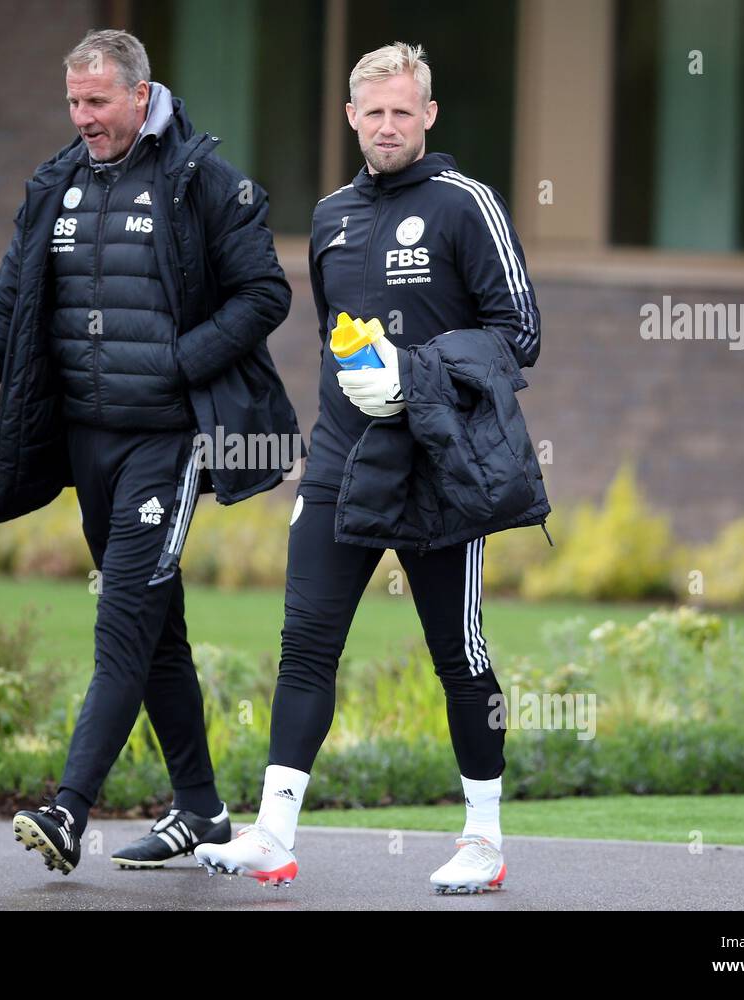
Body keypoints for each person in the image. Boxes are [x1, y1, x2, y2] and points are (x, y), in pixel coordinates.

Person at [0, 28, 302, 875]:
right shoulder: (57, 187)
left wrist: (179, 361)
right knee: (158, 635)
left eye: (97, 102)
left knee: (121, 621)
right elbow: (3, 312)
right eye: (73, 103)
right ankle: (201, 810)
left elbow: (267, 292)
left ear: (139, 94)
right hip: (89, 445)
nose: (83, 118)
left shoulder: (202, 180)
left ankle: (67, 809)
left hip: (170, 442)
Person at [194, 41, 548, 894]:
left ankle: (484, 839)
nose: (387, 126)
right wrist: (328, 442)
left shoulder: (468, 205)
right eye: (373, 112)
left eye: (403, 111)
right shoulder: (329, 217)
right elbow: (332, 347)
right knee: (304, 646)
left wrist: (414, 374)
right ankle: (273, 834)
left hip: (443, 468)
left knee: (457, 653)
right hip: (346, 465)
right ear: (351, 118)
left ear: (427, 115)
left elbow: (521, 333)